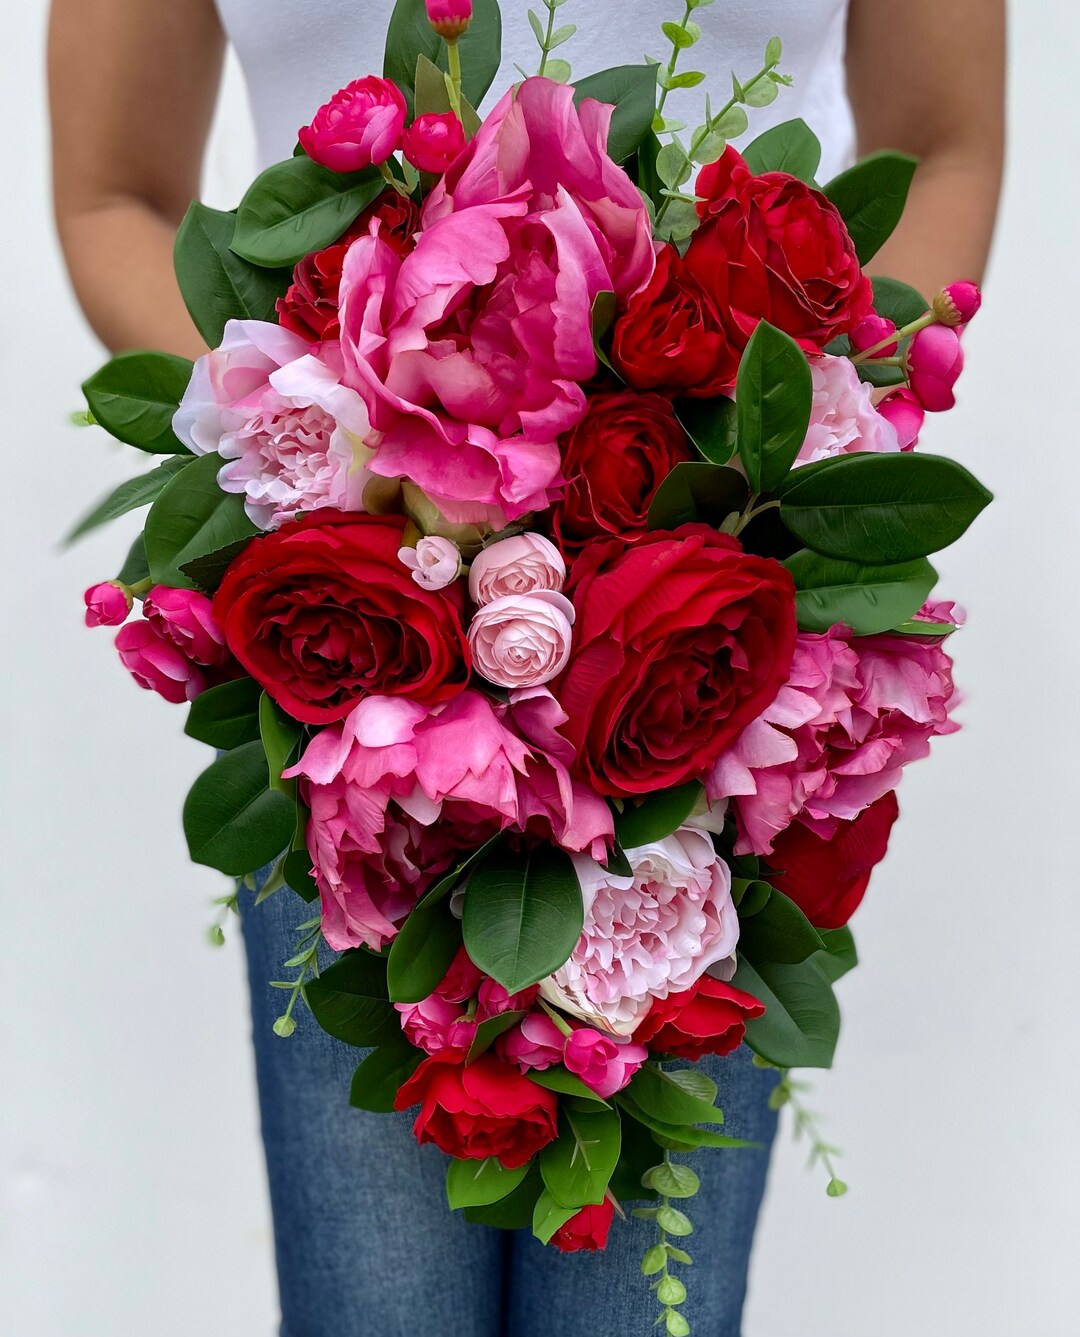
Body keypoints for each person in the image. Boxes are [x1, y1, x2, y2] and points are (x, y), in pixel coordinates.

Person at [48, 3, 1005, 1334]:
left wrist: (759, 445)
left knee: (642, 1315)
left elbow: (943, 146)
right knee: (374, 1311)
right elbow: (113, 193)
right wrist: (331, 435)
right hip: (357, 669)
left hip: (712, 663)